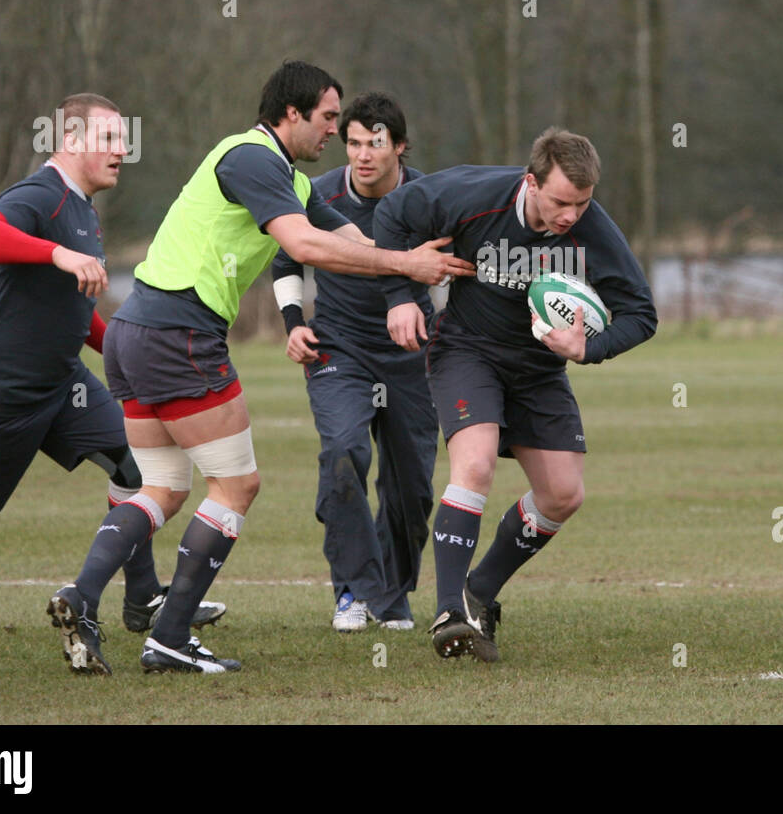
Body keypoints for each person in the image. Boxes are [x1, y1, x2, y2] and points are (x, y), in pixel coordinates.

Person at [50, 62, 472, 674]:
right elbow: (302, 248)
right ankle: (169, 636)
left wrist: (404, 259)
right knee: (238, 486)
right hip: (179, 334)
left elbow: (351, 238)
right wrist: (405, 268)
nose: (335, 131)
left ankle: (81, 597)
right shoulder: (251, 158)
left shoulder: (290, 182)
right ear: (293, 114)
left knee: (162, 490)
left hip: (133, 330)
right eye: (329, 117)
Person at [0, 94, 218, 651]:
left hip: (62, 384)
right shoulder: (42, 194)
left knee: (135, 462)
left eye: (123, 139)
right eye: (109, 139)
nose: (122, 150)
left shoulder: (83, 208)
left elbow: (72, 307)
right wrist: (59, 255)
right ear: (70, 141)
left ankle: (140, 598)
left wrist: (123, 351)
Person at [373, 127, 658, 661]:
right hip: (467, 350)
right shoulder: (471, 195)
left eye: (582, 201)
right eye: (560, 202)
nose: (571, 214)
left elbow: (642, 313)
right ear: (531, 182)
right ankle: (448, 612)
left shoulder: (592, 230)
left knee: (563, 495)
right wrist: (400, 294)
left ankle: (479, 591)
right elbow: (392, 215)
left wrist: (587, 347)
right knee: (475, 464)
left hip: (539, 370)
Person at [272, 91, 438, 633]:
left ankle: (391, 594)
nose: (363, 155)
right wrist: (294, 321)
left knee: (411, 487)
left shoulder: (429, 198)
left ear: (401, 147)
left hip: (415, 358)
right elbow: (286, 259)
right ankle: (354, 591)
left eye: (376, 144)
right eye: (353, 143)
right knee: (343, 452)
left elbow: (455, 271)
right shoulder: (317, 195)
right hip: (338, 349)